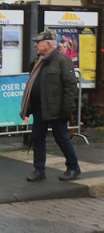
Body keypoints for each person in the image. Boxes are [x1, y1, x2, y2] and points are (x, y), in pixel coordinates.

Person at [20, 30, 81, 182]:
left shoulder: (62, 61)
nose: (35, 45)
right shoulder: (38, 62)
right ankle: (39, 170)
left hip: (57, 109)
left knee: (61, 138)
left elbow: (70, 87)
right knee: (37, 137)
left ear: (47, 44)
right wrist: (28, 107)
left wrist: (67, 109)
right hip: (39, 108)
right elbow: (32, 84)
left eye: (38, 43)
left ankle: (73, 168)